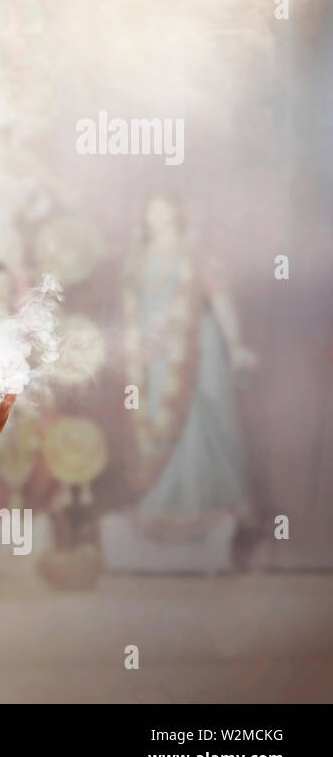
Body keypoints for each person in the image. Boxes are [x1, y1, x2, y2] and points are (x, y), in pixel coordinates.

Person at [122, 194, 256, 544]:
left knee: (196, 416)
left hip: (194, 347)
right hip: (156, 352)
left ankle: (198, 503)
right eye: (151, 208)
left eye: (163, 208)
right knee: (157, 416)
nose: (156, 215)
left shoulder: (193, 253)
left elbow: (219, 298)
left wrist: (236, 344)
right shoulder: (139, 256)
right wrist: (143, 344)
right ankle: (163, 499)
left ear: (177, 213)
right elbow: (137, 308)